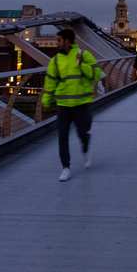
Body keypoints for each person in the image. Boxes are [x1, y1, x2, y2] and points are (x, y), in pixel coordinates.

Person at [42, 29, 103, 182]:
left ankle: (85, 147)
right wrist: (46, 100)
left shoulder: (84, 55)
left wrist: (81, 65)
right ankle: (66, 168)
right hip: (63, 105)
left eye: (59, 40)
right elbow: (50, 82)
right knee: (62, 137)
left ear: (68, 41)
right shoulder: (55, 61)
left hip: (81, 104)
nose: (57, 43)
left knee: (83, 132)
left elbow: (97, 74)